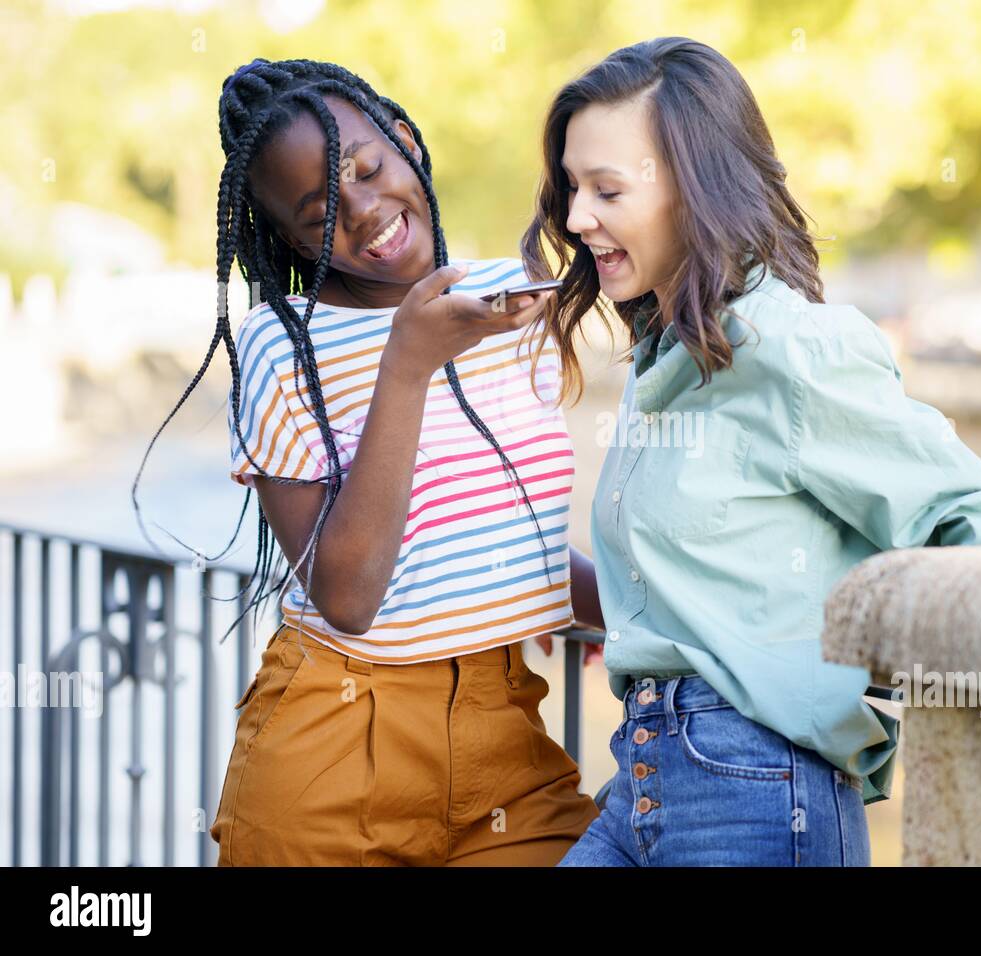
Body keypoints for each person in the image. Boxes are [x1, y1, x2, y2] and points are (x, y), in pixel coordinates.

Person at [521, 37, 981, 866]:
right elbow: (707, 600)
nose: (577, 218)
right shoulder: (666, 360)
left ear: (695, 188)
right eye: (574, 188)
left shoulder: (790, 347)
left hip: (757, 793)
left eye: (606, 189)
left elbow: (974, 516)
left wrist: (941, 698)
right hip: (646, 783)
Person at [135, 57, 601, 865]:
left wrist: (635, 609)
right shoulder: (282, 349)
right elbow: (347, 594)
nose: (362, 209)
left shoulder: (517, 300)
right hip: (333, 756)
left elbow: (490, 532)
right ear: (286, 236)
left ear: (406, 141)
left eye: (368, 167)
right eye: (318, 211)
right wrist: (407, 366)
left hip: (506, 746)